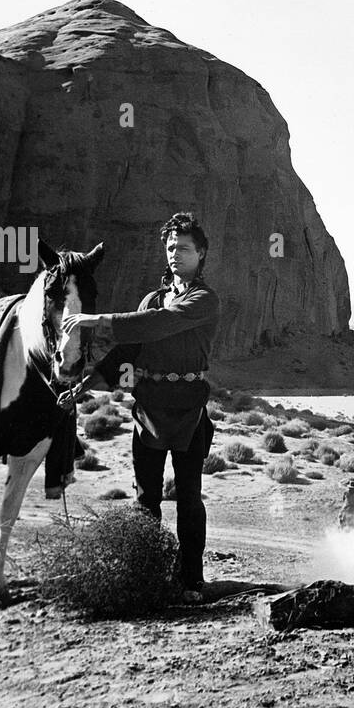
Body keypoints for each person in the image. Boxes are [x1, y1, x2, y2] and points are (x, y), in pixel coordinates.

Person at [61, 212, 218, 597]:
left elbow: (157, 324)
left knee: (189, 497)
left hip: (188, 411)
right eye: (169, 248)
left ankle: (191, 578)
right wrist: (83, 386)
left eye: (183, 248)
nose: (174, 254)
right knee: (146, 497)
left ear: (201, 253)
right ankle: (145, 574)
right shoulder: (152, 298)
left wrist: (94, 320)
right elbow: (127, 352)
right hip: (148, 408)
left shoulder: (204, 299)